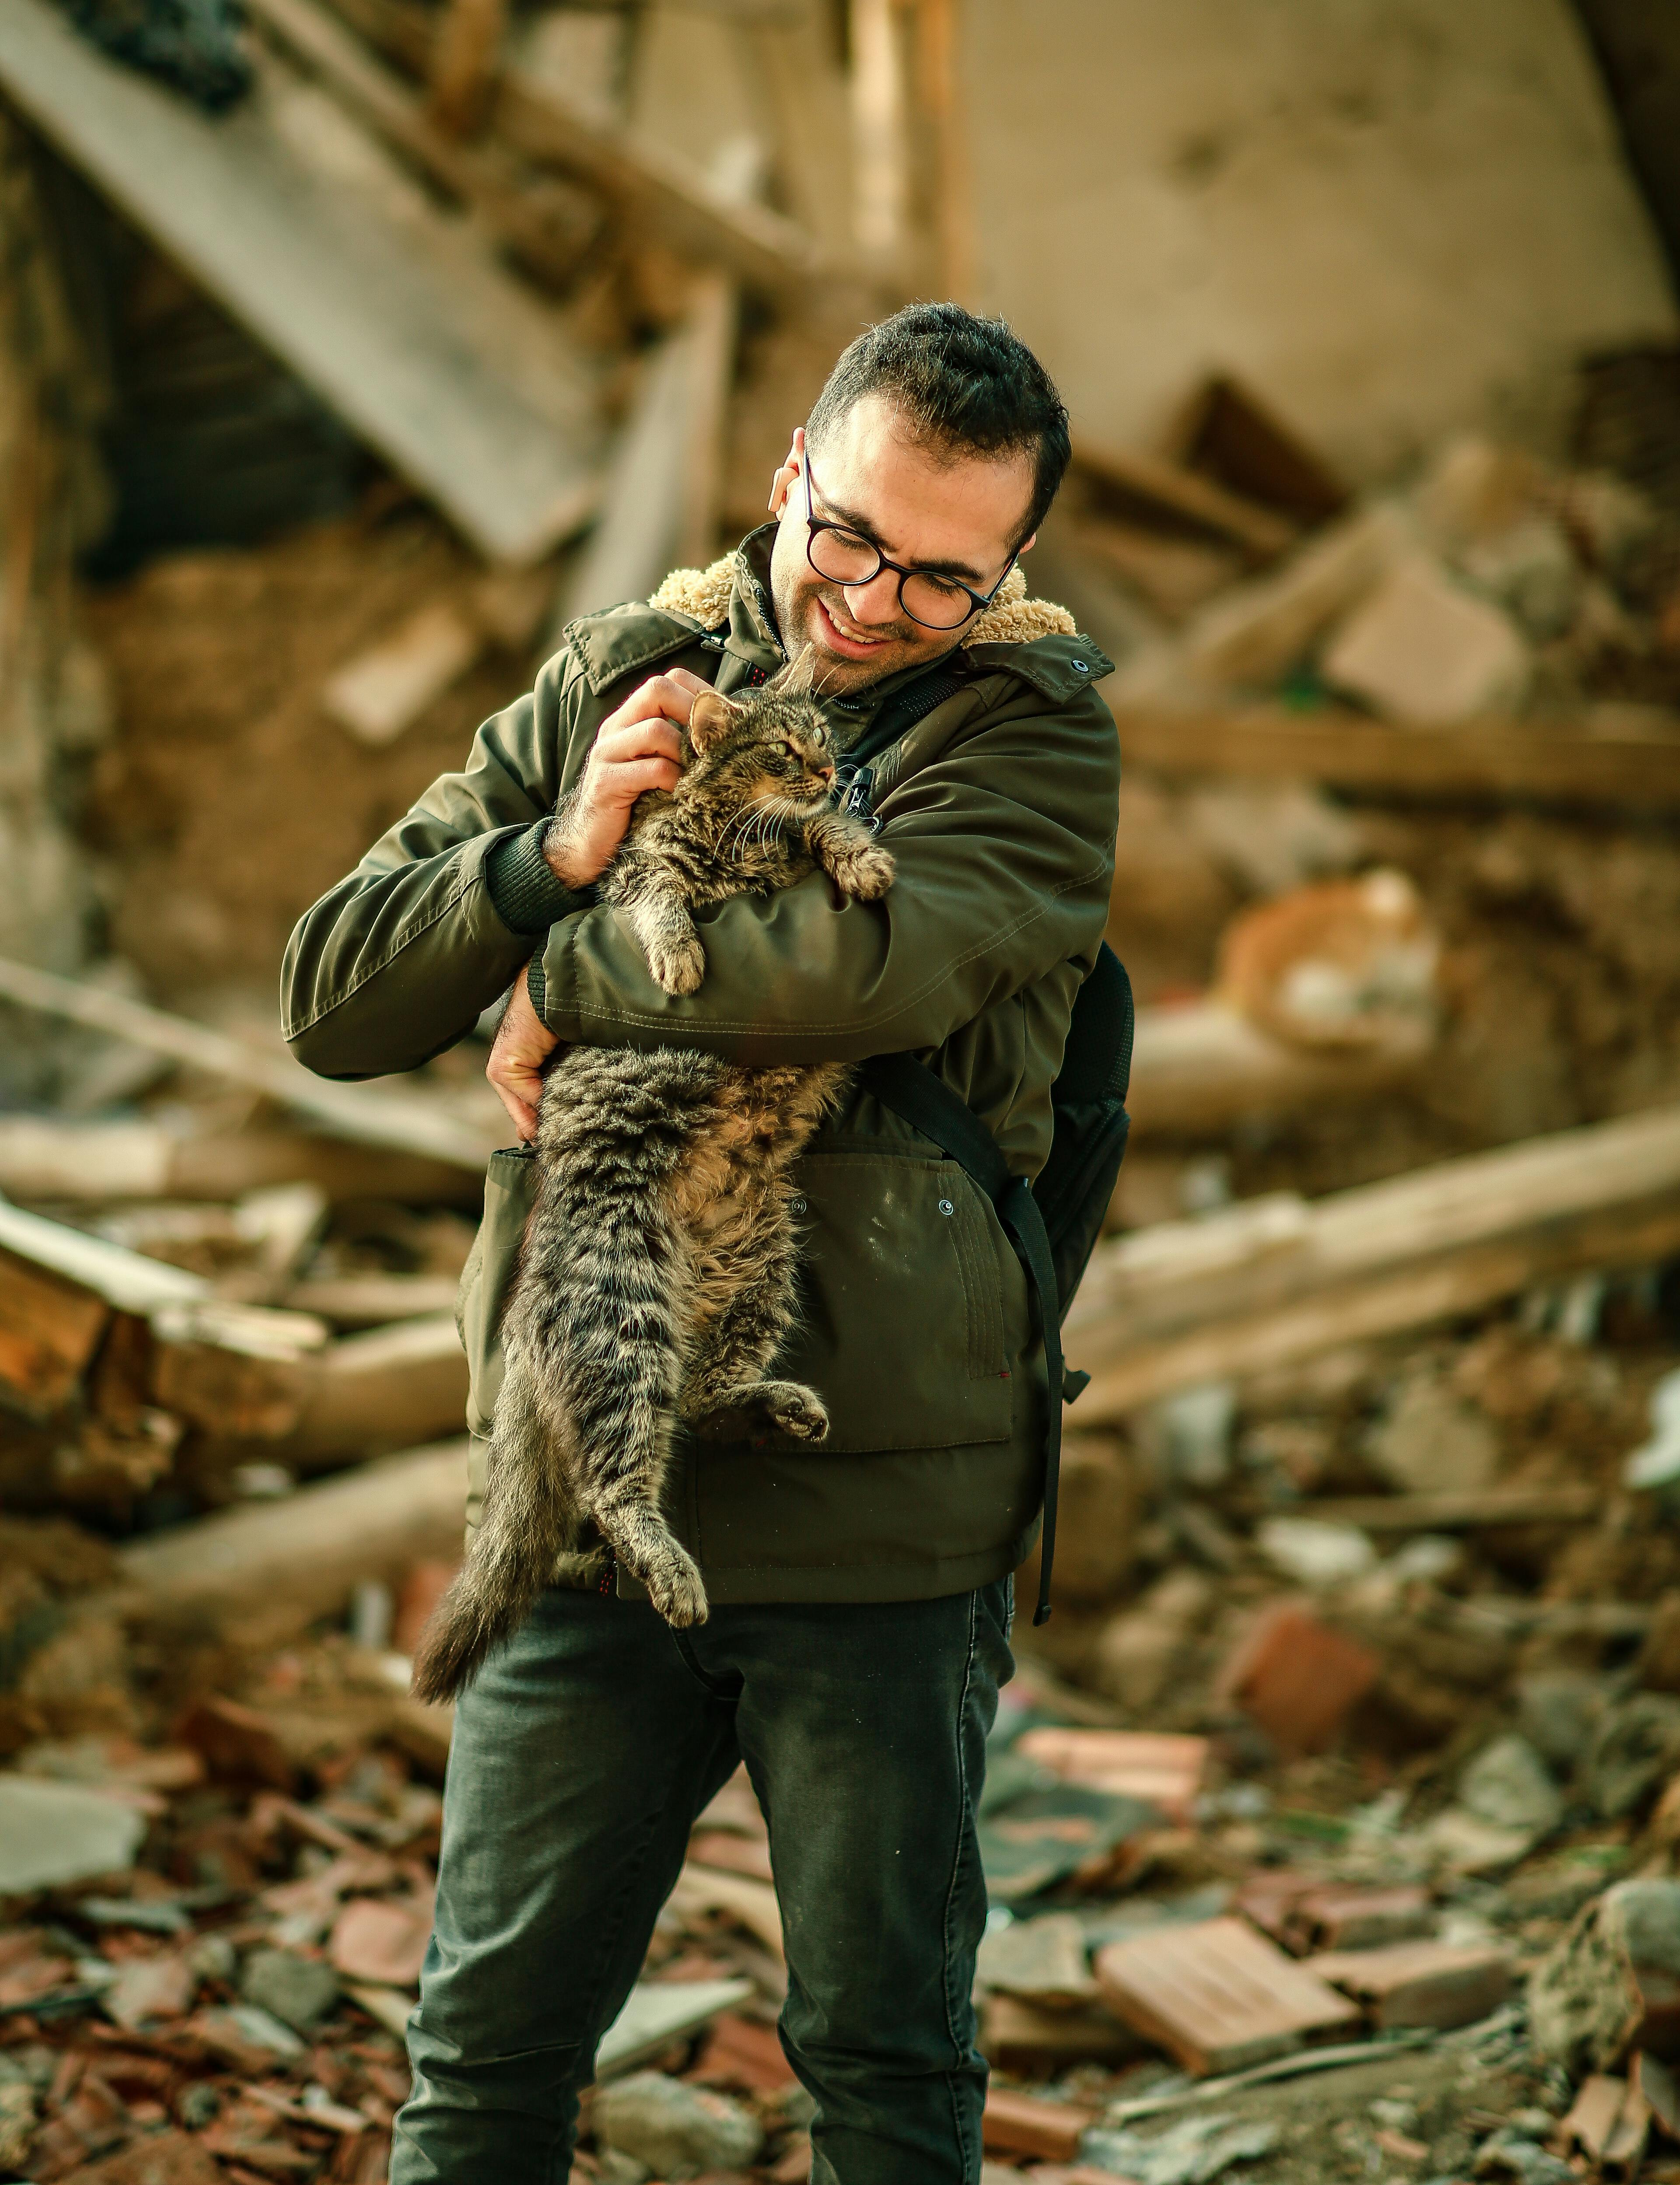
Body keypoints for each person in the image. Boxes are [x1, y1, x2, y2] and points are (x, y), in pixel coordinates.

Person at [283, 303, 1120, 2185]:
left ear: (1011, 571)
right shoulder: (624, 671)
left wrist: (551, 975)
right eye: (848, 536)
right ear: (786, 483)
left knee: (886, 2072)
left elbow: (854, 969)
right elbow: (328, 989)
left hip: (878, 1517)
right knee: (483, 2061)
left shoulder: (1036, 737)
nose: (875, 600)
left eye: (938, 574)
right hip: (584, 1493)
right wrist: (545, 857)